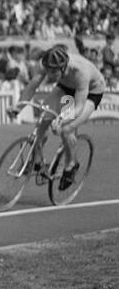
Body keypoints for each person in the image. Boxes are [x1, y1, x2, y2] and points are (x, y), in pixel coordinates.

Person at [15, 43, 105, 190]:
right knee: (44, 117)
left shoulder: (80, 72)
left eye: (53, 72)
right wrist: (17, 107)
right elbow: (32, 86)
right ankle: (37, 161)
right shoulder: (44, 63)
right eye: (48, 71)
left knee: (66, 128)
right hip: (65, 87)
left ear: (63, 68)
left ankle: (71, 165)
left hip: (91, 93)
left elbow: (78, 107)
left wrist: (62, 117)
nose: (49, 75)